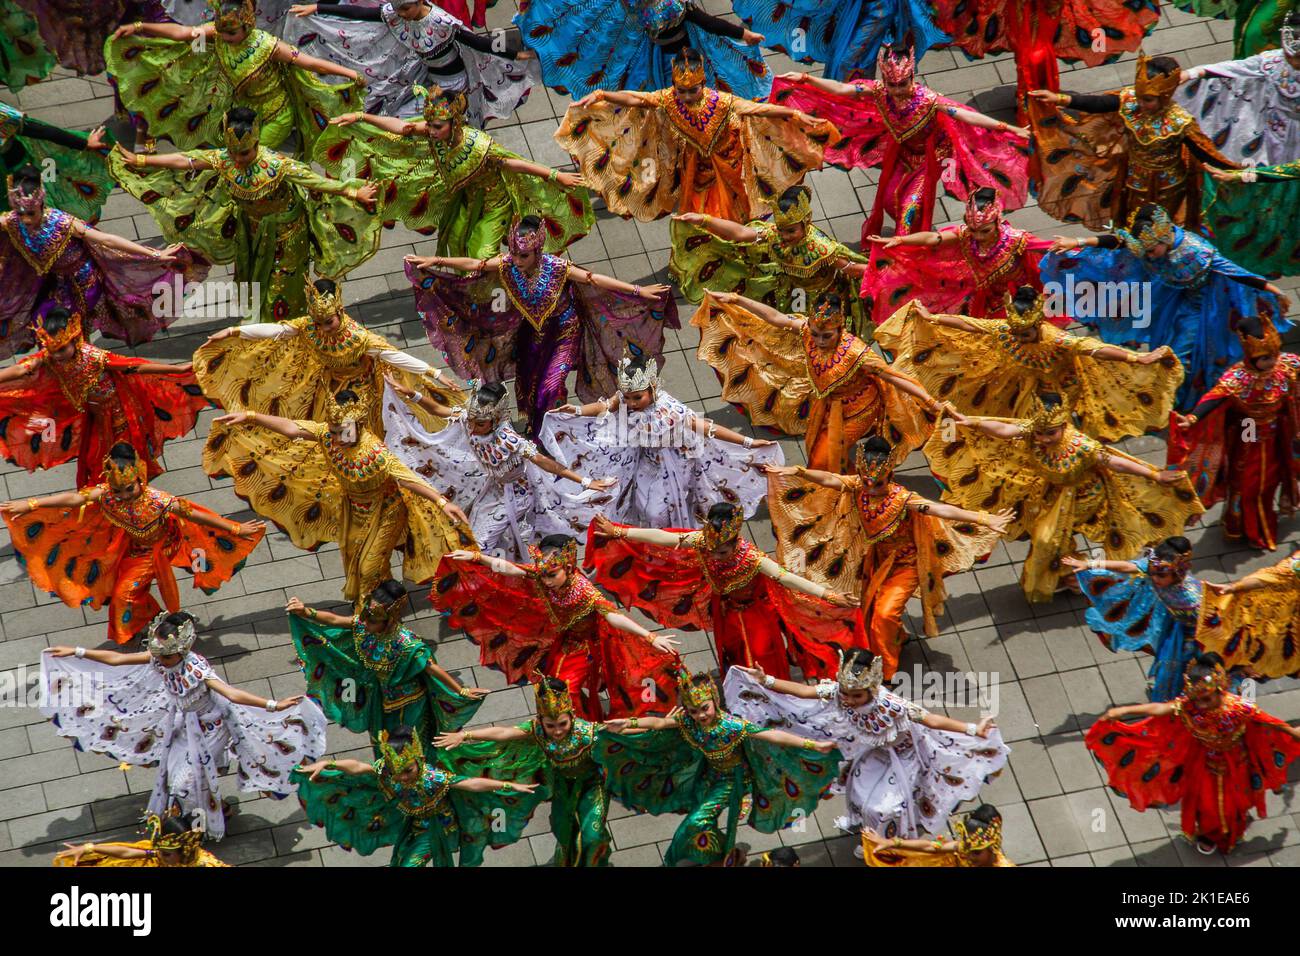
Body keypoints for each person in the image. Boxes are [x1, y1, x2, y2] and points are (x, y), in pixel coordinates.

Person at [40, 611, 327, 840]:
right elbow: (118, 659)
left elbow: (230, 693)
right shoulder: (160, 660)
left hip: (211, 726)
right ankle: (211, 810)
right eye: (159, 656)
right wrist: (77, 651)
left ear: (182, 649)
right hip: (182, 722)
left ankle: (201, 818)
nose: (161, 662)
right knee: (174, 775)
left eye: (166, 656)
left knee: (184, 781)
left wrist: (273, 705)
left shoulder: (196, 666)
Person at [406, 216, 677, 437]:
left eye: (523, 255)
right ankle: (544, 427)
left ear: (537, 250)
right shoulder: (508, 266)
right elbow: (476, 265)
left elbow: (594, 280)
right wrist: (436, 262)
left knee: (549, 387)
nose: (517, 260)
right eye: (513, 253)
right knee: (530, 388)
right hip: (532, 333)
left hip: (565, 331)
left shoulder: (558, 268)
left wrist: (639, 291)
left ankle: (546, 435)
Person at [764, 436, 1010, 676]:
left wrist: (984, 518)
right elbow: (829, 478)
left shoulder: (903, 500)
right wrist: (796, 470)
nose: (870, 488)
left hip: (907, 564)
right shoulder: (859, 485)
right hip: (875, 559)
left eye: (878, 483)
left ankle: (888, 672)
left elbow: (938, 508)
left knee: (883, 614)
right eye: (867, 481)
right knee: (871, 611)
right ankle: (897, 638)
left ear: (890, 475)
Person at [108, 107, 381, 323]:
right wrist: (141, 160)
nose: (238, 159)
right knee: (253, 279)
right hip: (249, 231)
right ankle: (264, 321)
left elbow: (315, 182)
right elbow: (186, 160)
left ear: (257, 141)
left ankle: (284, 327)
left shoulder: (277, 164)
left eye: (245, 152)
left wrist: (354, 193)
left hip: (287, 232)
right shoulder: (224, 159)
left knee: (283, 283)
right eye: (234, 152)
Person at [204, 388, 474, 603]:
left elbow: (407, 477)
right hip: (351, 508)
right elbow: (292, 427)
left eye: (343, 431)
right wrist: (251, 416)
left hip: (386, 508)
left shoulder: (375, 452)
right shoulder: (327, 435)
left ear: (357, 424)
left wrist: (440, 502)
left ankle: (370, 615)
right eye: (333, 431)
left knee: (368, 566)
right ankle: (385, 601)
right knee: (359, 561)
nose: (338, 437)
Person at [932, 395, 1204, 603]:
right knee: (1048, 536)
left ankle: (1075, 573)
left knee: (1047, 538)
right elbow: (1005, 431)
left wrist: (1154, 476)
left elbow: (1115, 463)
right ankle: (1073, 574)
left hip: (1082, 497)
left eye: (1050, 433)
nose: (1043, 439)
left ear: (1063, 425)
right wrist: (971, 422)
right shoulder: (1034, 431)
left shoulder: (1082, 446)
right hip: (1050, 492)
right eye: (1039, 433)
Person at [726, 651, 1009, 844]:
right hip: (870, 753)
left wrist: (973, 729)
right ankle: (863, 828)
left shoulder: (893, 707)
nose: (847, 699)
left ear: (872, 689)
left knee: (886, 806)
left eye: (856, 694)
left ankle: (886, 841)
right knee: (858, 794)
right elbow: (805, 691)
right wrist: (768, 681)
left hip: (905, 756)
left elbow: (931, 719)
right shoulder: (839, 693)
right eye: (846, 692)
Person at [0, 443, 265, 644]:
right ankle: (163, 619)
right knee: (119, 587)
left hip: (160, 547)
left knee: (124, 594)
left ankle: (164, 619)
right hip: (131, 546)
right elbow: (75, 500)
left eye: (129, 489)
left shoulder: (158, 500)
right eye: (118, 491)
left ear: (140, 479)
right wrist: (32, 503)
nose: (124, 495)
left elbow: (193, 514)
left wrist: (235, 527)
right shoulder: (106, 495)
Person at [769, 43, 1030, 244]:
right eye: (892, 84)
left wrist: (1011, 128)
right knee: (887, 201)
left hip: (927, 161)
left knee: (907, 208)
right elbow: (840, 90)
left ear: (912, 76)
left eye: (902, 83)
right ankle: (912, 236)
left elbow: (967, 116)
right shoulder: (879, 91)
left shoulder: (929, 100)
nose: (897, 90)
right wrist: (806, 79)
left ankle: (902, 250)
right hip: (900, 154)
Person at [1042, 204, 1291, 411]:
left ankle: (1181, 400)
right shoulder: (1150, 244)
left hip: (1199, 306)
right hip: (1167, 298)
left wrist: (1275, 291)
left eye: (1151, 251)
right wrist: (1077, 240)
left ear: (1163, 237)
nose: (1149, 256)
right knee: (1160, 341)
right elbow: (1118, 241)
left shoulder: (1196, 252)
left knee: (1179, 353)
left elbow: (1237, 273)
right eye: (1146, 252)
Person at [554, 48, 835, 224]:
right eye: (681, 90)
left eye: (693, 90)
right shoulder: (667, 100)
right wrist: (602, 94)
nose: (687, 96)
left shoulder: (722, 101)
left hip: (730, 163)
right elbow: (636, 99)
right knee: (696, 215)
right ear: (674, 86)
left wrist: (796, 116)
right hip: (693, 168)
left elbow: (758, 109)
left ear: (704, 83)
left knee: (735, 210)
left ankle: (737, 244)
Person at [597, 666, 840, 867]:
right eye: (693, 711)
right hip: (705, 775)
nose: (700, 715)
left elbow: (771, 735)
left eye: (704, 709)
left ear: (714, 701)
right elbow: (659, 724)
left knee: (695, 823)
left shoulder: (732, 726)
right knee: (702, 821)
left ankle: (718, 857)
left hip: (731, 781)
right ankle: (725, 855)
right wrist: (627, 723)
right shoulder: (688, 722)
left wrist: (812, 745)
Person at [316, 85, 592, 261]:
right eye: (430, 126)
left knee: (481, 254)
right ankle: (475, 301)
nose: (431, 132)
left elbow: (512, 163)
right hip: (462, 201)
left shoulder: (479, 145)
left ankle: (508, 292)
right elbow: (401, 128)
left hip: (494, 206)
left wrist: (556, 176)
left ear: (455, 123)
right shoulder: (434, 135)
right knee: (457, 248)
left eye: (437, 127)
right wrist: (361, 117)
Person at [588, 504, 863, 681]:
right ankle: (741, 689)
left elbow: (787, 578)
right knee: (733, 651)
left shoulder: (752, 558)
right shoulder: (704, 542)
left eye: (721, 552)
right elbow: (665, 537)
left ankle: (774, 689)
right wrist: (621, 533)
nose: (714, 555)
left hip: (758, 611)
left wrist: (828, 596)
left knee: (762, 651)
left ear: (734, 545)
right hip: (725, 609)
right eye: (711, 549)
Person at [874, 289, 1182, 442]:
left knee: (1058, 428)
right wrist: (934, 319)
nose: (1019, 337)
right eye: (1017, 332)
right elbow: (973, 325)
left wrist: (1136, 358)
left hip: (1057, 388)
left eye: (1025, 333)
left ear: (1038, 324)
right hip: (1017, 383)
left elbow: (1093, 348)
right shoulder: (1007, 332)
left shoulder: (1056, 339)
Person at [432, 535, 681, 720]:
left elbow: (612, 615)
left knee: (569, 690)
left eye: (552, 575)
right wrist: (477, 558)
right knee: (555, 687)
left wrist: (649, 637)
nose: (545, 580)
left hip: (589, 645)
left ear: (569, 567)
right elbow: (512, 569)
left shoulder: (583, 590)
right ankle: (575, 723)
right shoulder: (543, 575)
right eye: (543, 574)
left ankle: (583, 728)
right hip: (564, 640)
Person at [693, 290, 937, 474]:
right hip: (826, 402)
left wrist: (930, 402)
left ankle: (837, 490)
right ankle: (852, 482)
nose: (819, 340)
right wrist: (737, 300)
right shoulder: (807, 332)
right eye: (816, 333)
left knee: (820, 460)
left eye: (827, 336)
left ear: (840, 329)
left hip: (859, 408)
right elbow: (778, 318)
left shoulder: (857, 353)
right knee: (821, 450)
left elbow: (894, 377)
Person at [539, 350, 783, 530]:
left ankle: (667, 543)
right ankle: (651, 542)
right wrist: (577, 412)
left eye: (637, 398)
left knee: (656, 512)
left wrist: (748, 443)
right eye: (628, 397)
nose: (631, 404)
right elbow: (605, 406)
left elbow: (704, 427)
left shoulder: (670, 409)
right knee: (639, 506)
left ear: (652, 389)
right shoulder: (623, 400)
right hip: (644, 461)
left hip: (674, 465)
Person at [196, 276, 464, 437]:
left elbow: (394, 356)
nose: (323, 329)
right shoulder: (308, 328)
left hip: (364, 390)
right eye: (319, 322)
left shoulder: (358, 339)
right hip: (329, 388)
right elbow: (275, 331)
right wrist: (234, 331)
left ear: (340, 310)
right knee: (330, 432)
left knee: (368, 431)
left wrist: (435, 373)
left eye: (329, 322)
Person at [1086, 652, 1300, 854]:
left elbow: (1275, 724)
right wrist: (1122, 711)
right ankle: (1209, 833)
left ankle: (1231, 828)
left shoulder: (1240, 708)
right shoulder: (1190, 706)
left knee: (1235, 800)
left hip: (1235, 762)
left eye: (1206, 699)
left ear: (1219, 690)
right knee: (1204, 802)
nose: (1201, 704)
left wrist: (1293, 733)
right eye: (1197, 699)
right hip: (1202, 761)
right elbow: (1161, 709)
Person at [382, 379, 615, 559]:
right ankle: (502, 569)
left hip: (517, 494)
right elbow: (438, 410)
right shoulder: (469, 418)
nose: (472, 428)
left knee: (483, 545)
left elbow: (545, 462)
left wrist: (585, 482)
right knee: (474, 536)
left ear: (495, 419)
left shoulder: (509, 440)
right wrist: (411, 393)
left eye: (480, 424)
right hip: (493, 487)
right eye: (472, 422)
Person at [105, 0, 365, 153]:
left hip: (276, 115)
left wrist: (349, 73)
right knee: (235, 161)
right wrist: (139, 27)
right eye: (221, 32)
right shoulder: (218, 33)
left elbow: (310, 62)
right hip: (241, 113)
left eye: (231, 34)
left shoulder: (268, 45)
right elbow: (184, 33)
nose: (224, 38)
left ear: (247, 25)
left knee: (249, 160)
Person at [0, 164, 199, 360]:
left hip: (81, 281)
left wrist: (156, 255)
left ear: (41, 203)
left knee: (73, 327)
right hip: (49, 282)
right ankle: (66, 361)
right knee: (43, 325)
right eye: (20, 214)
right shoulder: (11, 222)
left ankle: (81, 363)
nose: (25, 220)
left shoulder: (62, 222)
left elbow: (106, 240)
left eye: (30, 214)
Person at [0, 307, 207, 488]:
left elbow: (134, 366)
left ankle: (133, 491)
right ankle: (111, 494)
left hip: (119, 414)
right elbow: (21, 370)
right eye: (53, 351)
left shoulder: (93, 356)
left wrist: (176, 369)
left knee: (124, 456)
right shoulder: (49, 358)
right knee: (95, 460)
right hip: (92, 416)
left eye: (62, 349)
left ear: (75, 339)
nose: (57, 355)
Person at [1028, 54, 1236, 232]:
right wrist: (1060, 99)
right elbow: (1101, 104)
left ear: (1165, 96)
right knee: (1131, 220)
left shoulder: (1180, 122)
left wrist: (1241, 174)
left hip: (1169, 185)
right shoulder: (1130, 101)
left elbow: (1205, 154)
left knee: (1162, 225)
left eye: (1148, 100)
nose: (1141, 103)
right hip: (1134, 178)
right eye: (1139, 96)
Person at [286, 578, 488, 753]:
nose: (365, 624)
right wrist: (306, 612)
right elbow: (336, 620)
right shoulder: (365, 627)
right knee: (384, 745)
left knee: (412, 747)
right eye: (365, 617)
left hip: (411, 704)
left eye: (372, 621)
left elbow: (431, 668)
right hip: (382, 701)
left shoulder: (405, 643)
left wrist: (461, 691)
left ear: (389, 618)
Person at [293, 727, 543, 867]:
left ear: (419, 761)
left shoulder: (432, 777)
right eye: (397, 772)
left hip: (437, 827)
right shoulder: (388, 770)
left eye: (408, 771)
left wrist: (507, 785)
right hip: (410, 823)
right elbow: (359, 767)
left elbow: (469, 783)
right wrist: (327, 764)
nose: (402, 777)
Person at [434, 676, 616, 867]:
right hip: (563, 788)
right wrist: (465, 735)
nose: (557, 731)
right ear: (541, 721)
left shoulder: (588, 733)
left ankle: (597, 862)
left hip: (592, 788)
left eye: (563, 724)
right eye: (550, 726)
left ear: (571, 715)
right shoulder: (536, 729)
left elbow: (623, 739)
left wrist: (641, 725)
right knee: (564, 831)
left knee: (592, 835)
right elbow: (504, 733)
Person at [1174, 13, 1300, 276]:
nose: (1293, 61)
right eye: (1290, 55)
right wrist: (1191, 73)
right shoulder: (1272, 62)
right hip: (1274, 135)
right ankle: (1265, 218)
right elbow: (1234, 68)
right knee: (1266, 176)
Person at [284, 1, 538, 126]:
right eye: (399, 10)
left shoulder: (442, 22)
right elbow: (362, 14)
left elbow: (476, 42)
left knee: (448, 122)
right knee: (407, 117)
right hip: (426, 77)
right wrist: (317, 8)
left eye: (405, 10)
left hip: (454, 83)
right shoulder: (396, 14)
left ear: (419, 2)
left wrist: (516, 56)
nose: (401, 16)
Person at [1168, 312, 1299, 551]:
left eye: (1272, 356)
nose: (1271, 363)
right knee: (1247, 482)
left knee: (1271, 481)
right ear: (1251, 356)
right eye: (1264, 358)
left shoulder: (1287, 366)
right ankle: (1245, 528)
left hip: (1279, 430)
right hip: (1248, 430)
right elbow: (1214, 398)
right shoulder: (1237, 378)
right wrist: (1192, 419)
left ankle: (1264, 523)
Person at [668, 184, 870, 335]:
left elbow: (851, 268)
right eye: (782, 230)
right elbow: (741, 233)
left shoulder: (821, 248)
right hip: (789, 291)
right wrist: (704, 220)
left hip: (822, 299)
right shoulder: (775, 235)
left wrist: (889, 273)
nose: (785, 236)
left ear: (806, 222)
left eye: (791, 230)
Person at [860, 188, 1057, 325]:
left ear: (997, 222)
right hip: (982, 297)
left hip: (1017, 298)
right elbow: (934, 238)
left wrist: (1080, 246)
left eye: (985, 231)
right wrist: (901, 241)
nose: (978, 236)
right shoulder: (965, 235)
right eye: (974, 230)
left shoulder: (1016, 239)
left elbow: (1050, 247)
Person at [934, 0, 1160, 119]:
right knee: (1026, 55)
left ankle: (1039, 106)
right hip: (1020, 12)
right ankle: (1031, 108)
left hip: (1044, 15)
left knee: (1036, 54)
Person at [516, 0, 770, 103]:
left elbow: (707, 21)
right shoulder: (630, 5)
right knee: (658, 100)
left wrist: (744, 35)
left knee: (697, 93)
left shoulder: (674, 3)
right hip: (655, 59)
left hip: (686, 53)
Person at [1064, 537, 1205, 702]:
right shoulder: (1156, 565)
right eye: (1152, 572)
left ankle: (1175, 699)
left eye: (1160, 575)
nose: (1154, 578)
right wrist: (1089, 564)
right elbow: (1128, 566)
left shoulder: (1190, 599)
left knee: (1175, 667)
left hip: (1184, 636)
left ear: (1178, 573)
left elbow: (1204, 623)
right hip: (1161, 620)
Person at [733, 0, 947, 82]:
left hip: (877, 11)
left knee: (849, 61)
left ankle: (853, 105)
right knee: (844, 60)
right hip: (856, 12)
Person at [1198, 550, 1300, 679]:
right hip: (1278, 614)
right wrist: (1234, 588)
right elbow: (1266, 578)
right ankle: (1244, 668)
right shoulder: (1296, 566)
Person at [0, 105, 111, 221]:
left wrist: (83, 143)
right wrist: (84, 143)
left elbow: (42, 131)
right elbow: (41, 131)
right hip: (17, 169)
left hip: (16, 170)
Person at [53, 811, 228, 868]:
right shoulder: (162, 855)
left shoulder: (206, 865)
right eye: (160, 851)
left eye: (166, 854)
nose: (159, 855)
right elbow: (129, 852)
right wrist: (89, 848)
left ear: (185, 851)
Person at [862, 802, 1013, 866]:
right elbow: (932, 846)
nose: (968, 855)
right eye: (968, 849)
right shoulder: (964, 848)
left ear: (992, 847)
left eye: (976, 853)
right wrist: (892, 843)